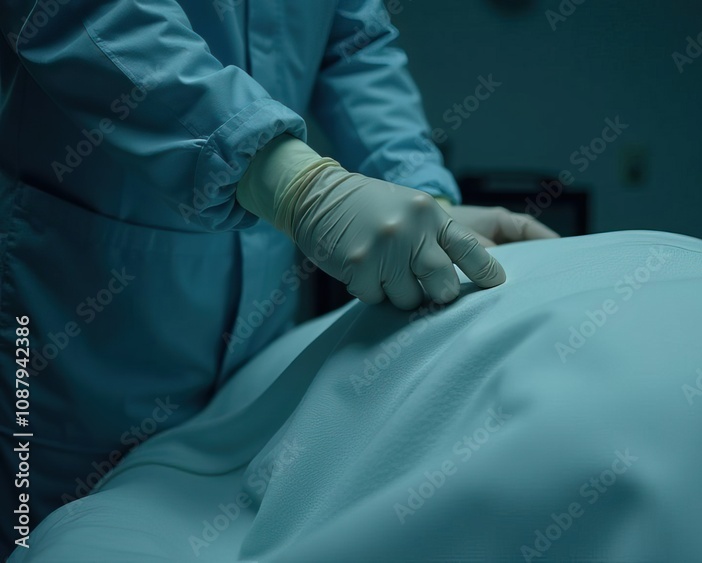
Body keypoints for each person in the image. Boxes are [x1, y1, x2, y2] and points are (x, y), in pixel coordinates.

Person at [0, 0, 556, 550]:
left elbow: (354, 47)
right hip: (76, 321)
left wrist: (423, 189)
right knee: (42, 531)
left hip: (255, 331)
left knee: (239, 515)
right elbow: (88, 13)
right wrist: (290, 181)